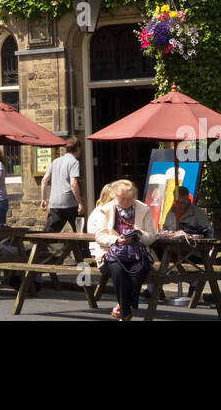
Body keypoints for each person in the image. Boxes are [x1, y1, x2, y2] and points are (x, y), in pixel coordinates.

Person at [90, 180, 155, 321]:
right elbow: (99, 236)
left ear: (134, 196)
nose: (126, 202)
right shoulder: (105, 209)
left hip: (137, 253)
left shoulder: (143, 209)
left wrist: (137, 234)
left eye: (129, 198)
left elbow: (151, 236)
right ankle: (125, 314)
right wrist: (116, 240)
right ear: (115, 196)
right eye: (122, 198)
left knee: (138, 271)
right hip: (112, 254)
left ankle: (122, 307)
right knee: (118, 271)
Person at [39, 136, 83, 232]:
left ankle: (42, 246)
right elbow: (73, 183)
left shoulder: (55, 161)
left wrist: (43, 199)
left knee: (48, 234)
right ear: (78, 148)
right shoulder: (74, 162)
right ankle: (81, 247)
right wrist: (80, 202)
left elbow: (44, 180)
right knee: (80, 232)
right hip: (70, 203)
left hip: (55, 203)